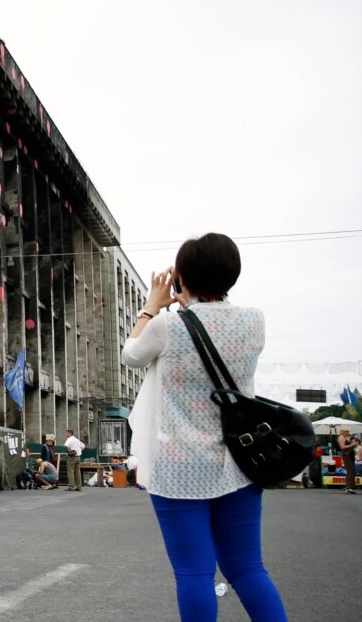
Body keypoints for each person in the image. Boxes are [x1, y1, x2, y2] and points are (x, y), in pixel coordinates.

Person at [123, 233, 288, 621]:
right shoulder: (254, 321)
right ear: (233, 274)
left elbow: (131, 355)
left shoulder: (167, 326)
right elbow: (213, 329)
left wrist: (150, 307)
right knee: (248, 568)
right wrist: (191, 302)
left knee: (194, 573)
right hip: (240, 462)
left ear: (180, 277)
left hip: (178, 467)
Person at [338, 428, 358, 494]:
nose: (349, 432)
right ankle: (349, 487)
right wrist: (352, 444)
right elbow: (342, 447)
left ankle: (351, 487)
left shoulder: (345, 437)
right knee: (350, 470)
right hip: (346, 454)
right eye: (347, 431)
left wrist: (352, 445)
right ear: (344, 432)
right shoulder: (341, 437)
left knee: (352, 470)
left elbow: (348, 446)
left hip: (349, 454)